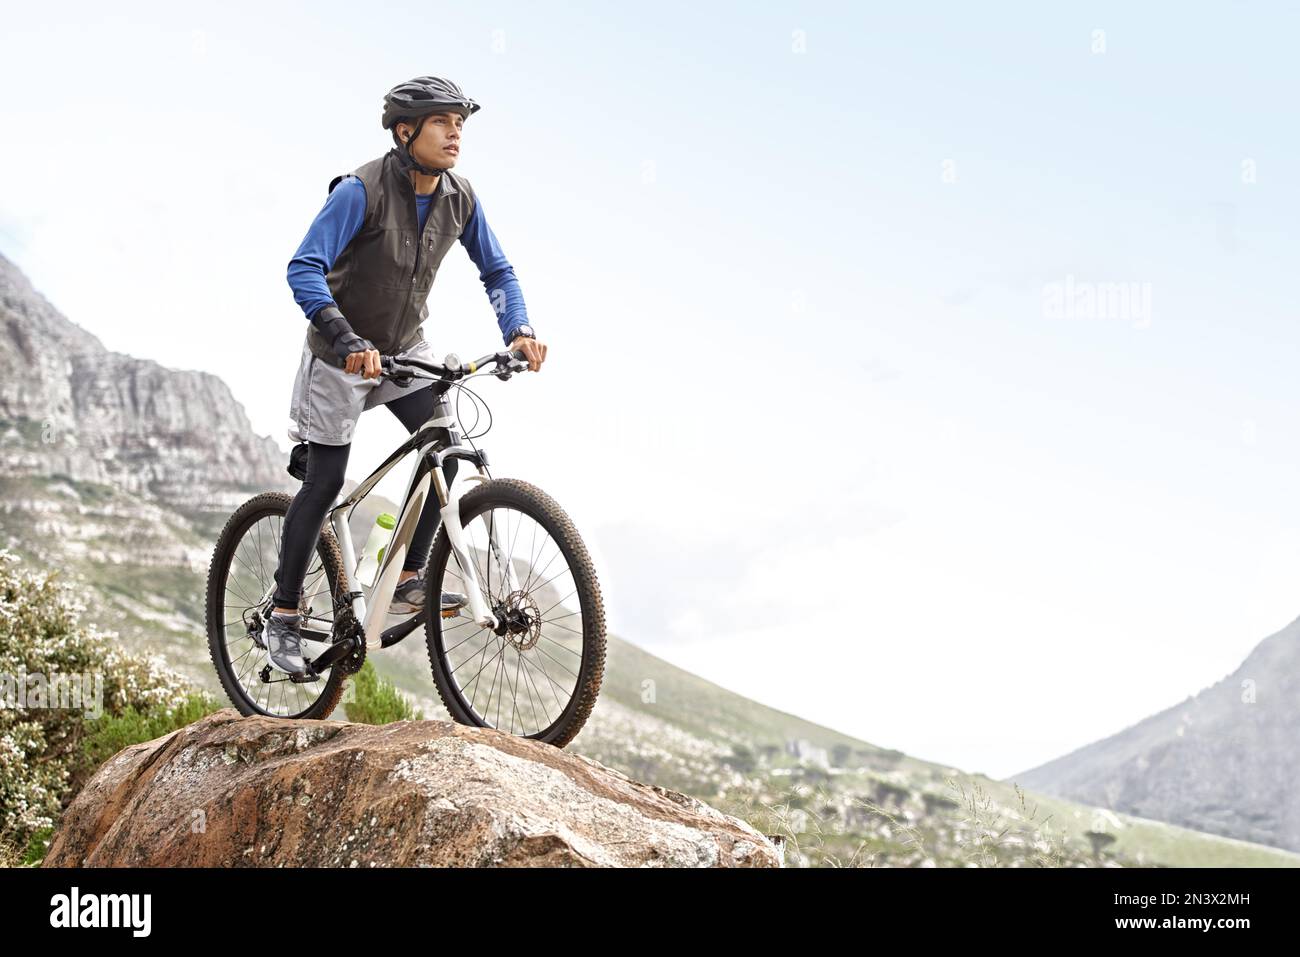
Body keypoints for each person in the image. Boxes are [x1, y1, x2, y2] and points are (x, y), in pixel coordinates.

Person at [265, 76, 548, 679]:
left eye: (460, 124)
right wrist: (346, 337)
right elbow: (303, 268)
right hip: (340, 355)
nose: (455, 134)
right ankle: (284, 615)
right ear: (405, 131)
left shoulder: (459, 197)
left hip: (403, 350)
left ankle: (411, 577)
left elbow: (496, 270)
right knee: (325, 481)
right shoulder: (359, 191)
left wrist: (517, 331)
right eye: (443, 123)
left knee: (446, 444)